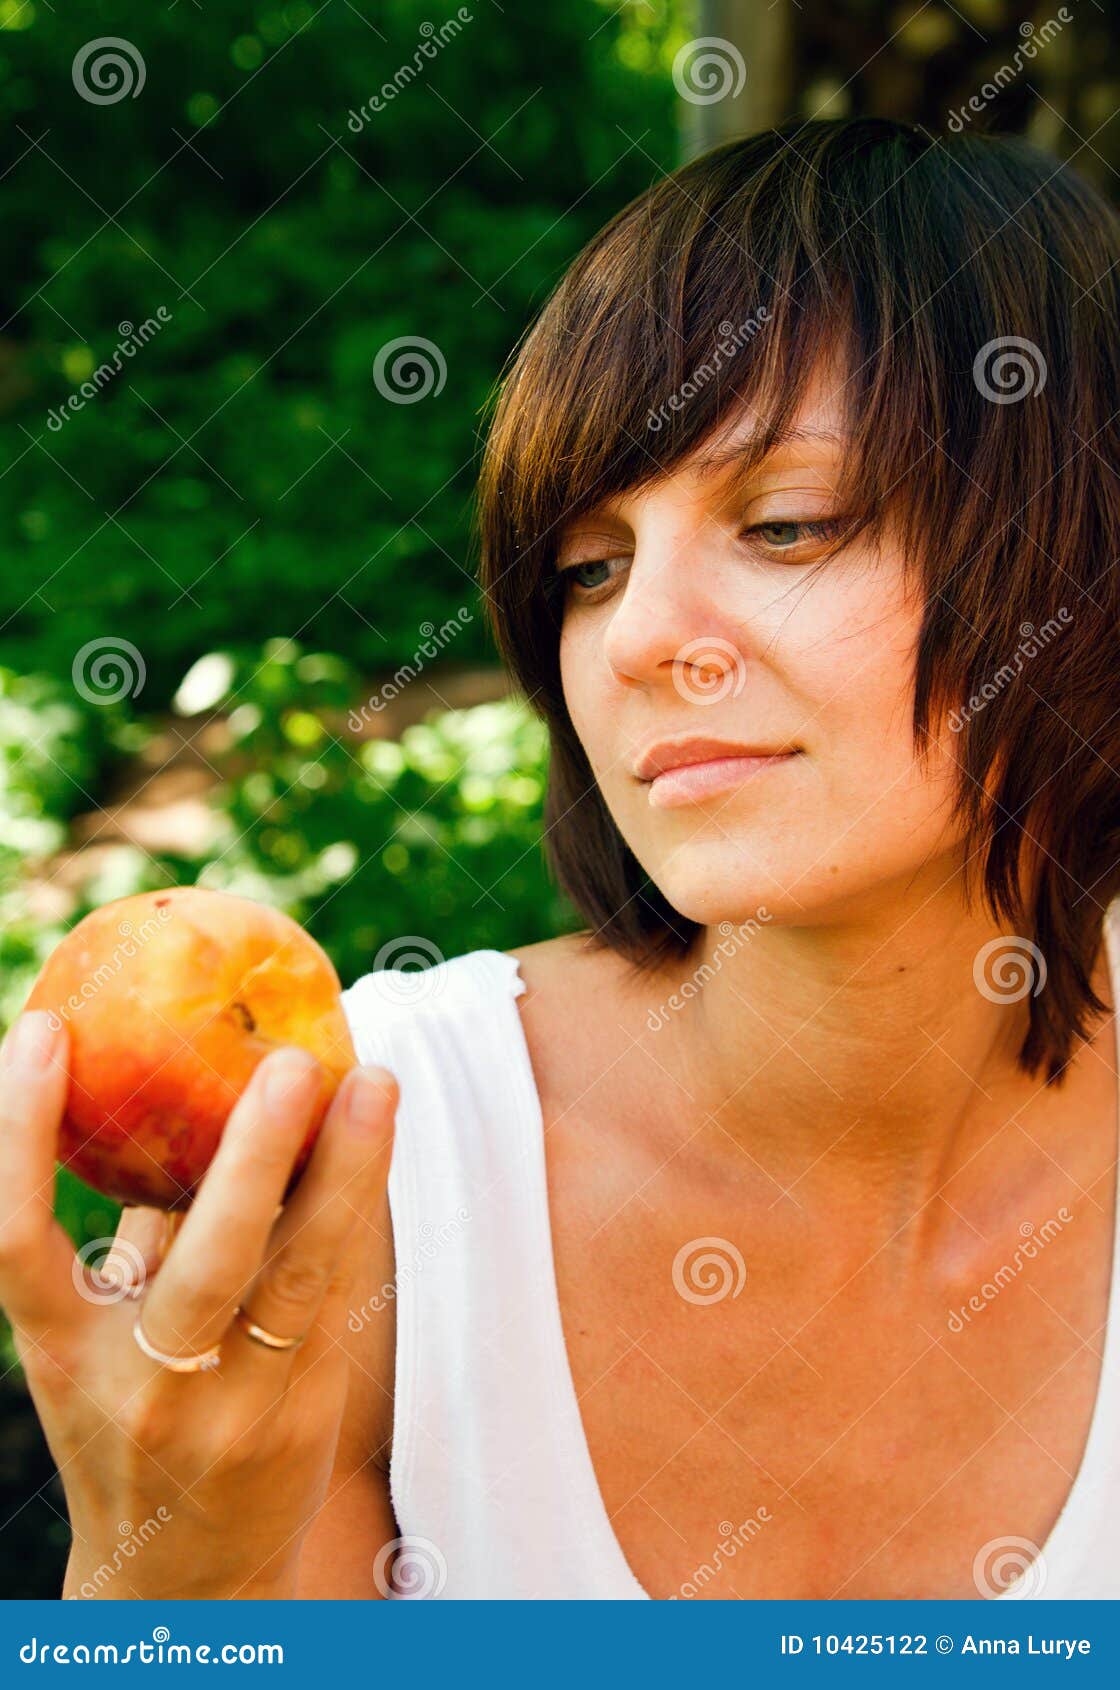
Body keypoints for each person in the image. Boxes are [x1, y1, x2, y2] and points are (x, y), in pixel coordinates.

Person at [2, 116, 1118, 1602]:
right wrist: (175, 1580)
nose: (642, 638)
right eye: (590, 568)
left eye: (785, 522)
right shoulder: (377, 1153)